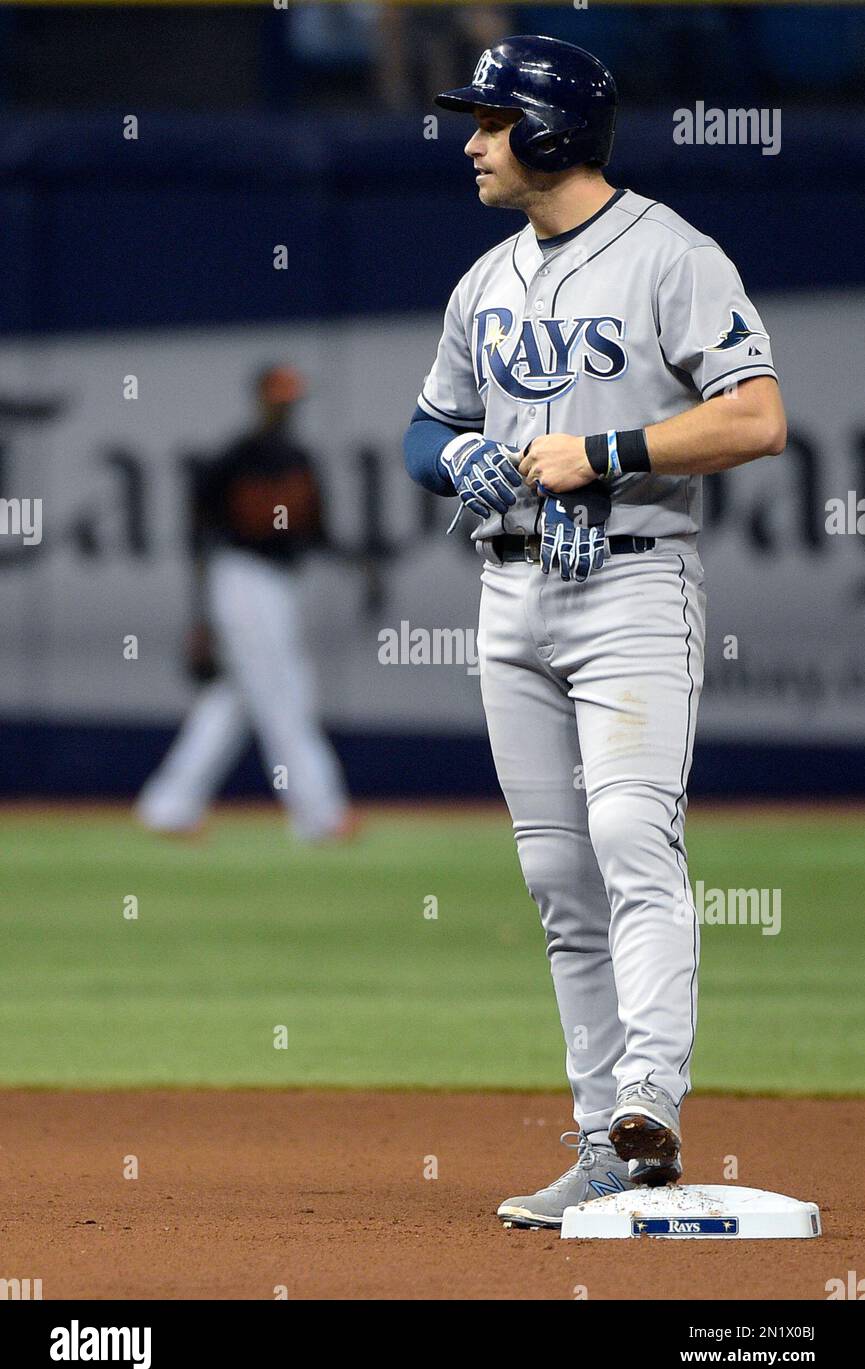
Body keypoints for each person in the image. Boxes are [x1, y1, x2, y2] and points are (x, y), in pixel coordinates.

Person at [404, 36, 786, 1228]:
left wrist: (606, 457)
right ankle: (602, 1149)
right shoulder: (485, 280)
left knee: (629, 829)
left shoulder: (671, 255)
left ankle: (649, 1100)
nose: (470, 141)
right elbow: (427, 430)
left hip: (632, 584)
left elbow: (758, 419)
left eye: (490, 120)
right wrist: (455, 457)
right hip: (510, 594)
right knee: (555, 873)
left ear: (552, 133)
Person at [136, 365, 354, 843]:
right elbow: (200, 538)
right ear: (260, 399)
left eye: (292, 399)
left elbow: (318, 533)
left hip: (280, 585)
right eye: (279, 398)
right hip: (240, 578)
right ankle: (320, 813)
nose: (287, 407)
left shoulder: (300, 460)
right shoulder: (233, 459)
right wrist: (200, 617)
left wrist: (360, 568)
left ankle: (169, 805)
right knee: (285, 690)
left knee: (234, 698)